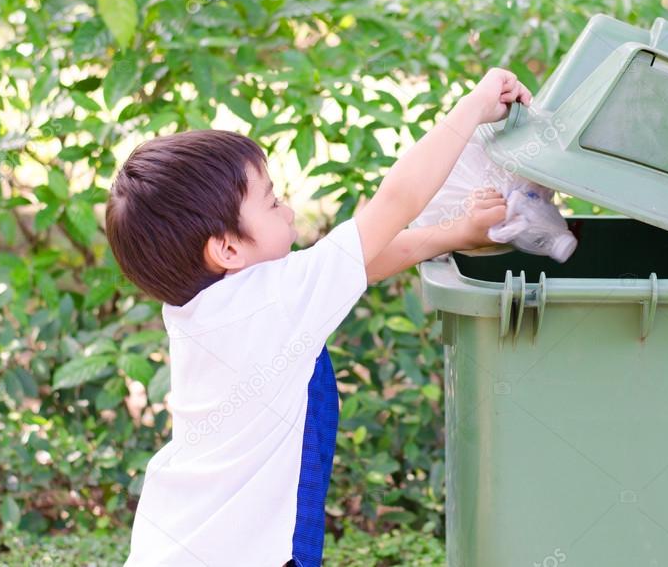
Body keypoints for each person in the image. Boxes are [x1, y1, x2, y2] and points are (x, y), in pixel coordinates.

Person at [105, 68, 532, 566]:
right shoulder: (274, 301)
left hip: (177, 539)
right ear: (226, 248)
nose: (288, 213)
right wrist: (475, 107)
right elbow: (397, 201)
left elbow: (357, 264)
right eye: (273, 202)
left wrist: (454, 233)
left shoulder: (202, 305)